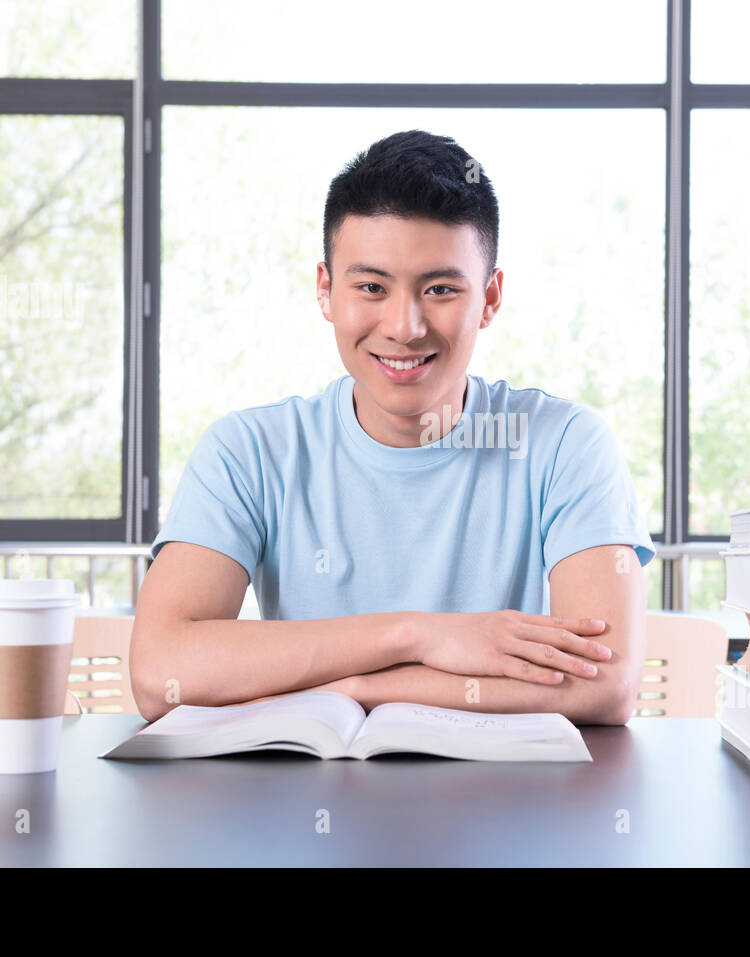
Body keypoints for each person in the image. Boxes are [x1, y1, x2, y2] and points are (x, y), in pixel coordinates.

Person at [130, 129, 655, 725]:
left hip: (510, 808)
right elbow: (160, 674)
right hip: (301, 806)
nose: (404, 327)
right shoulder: (248, 451)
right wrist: (416, 635)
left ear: (489, 298)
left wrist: (353, 689)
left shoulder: (566, 445)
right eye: (372, 287)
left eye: (439, 289)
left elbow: (604, 685)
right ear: (326, 290)